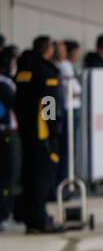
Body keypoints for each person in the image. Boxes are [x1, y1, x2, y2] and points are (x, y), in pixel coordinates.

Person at [13, 36, 63, 233]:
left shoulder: (23, 72)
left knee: (28, 175)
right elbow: (49, 104)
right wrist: (53, 131)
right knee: (42, 176)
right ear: (48, 50)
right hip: (41, 133)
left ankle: (30, 217)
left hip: (24, 132)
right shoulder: (45, 73)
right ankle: (39, 220)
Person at [0, 45, 17, 230]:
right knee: (8, 176)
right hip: (8, 134)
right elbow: (48, 102)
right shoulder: (47, 75)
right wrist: (52, 125)